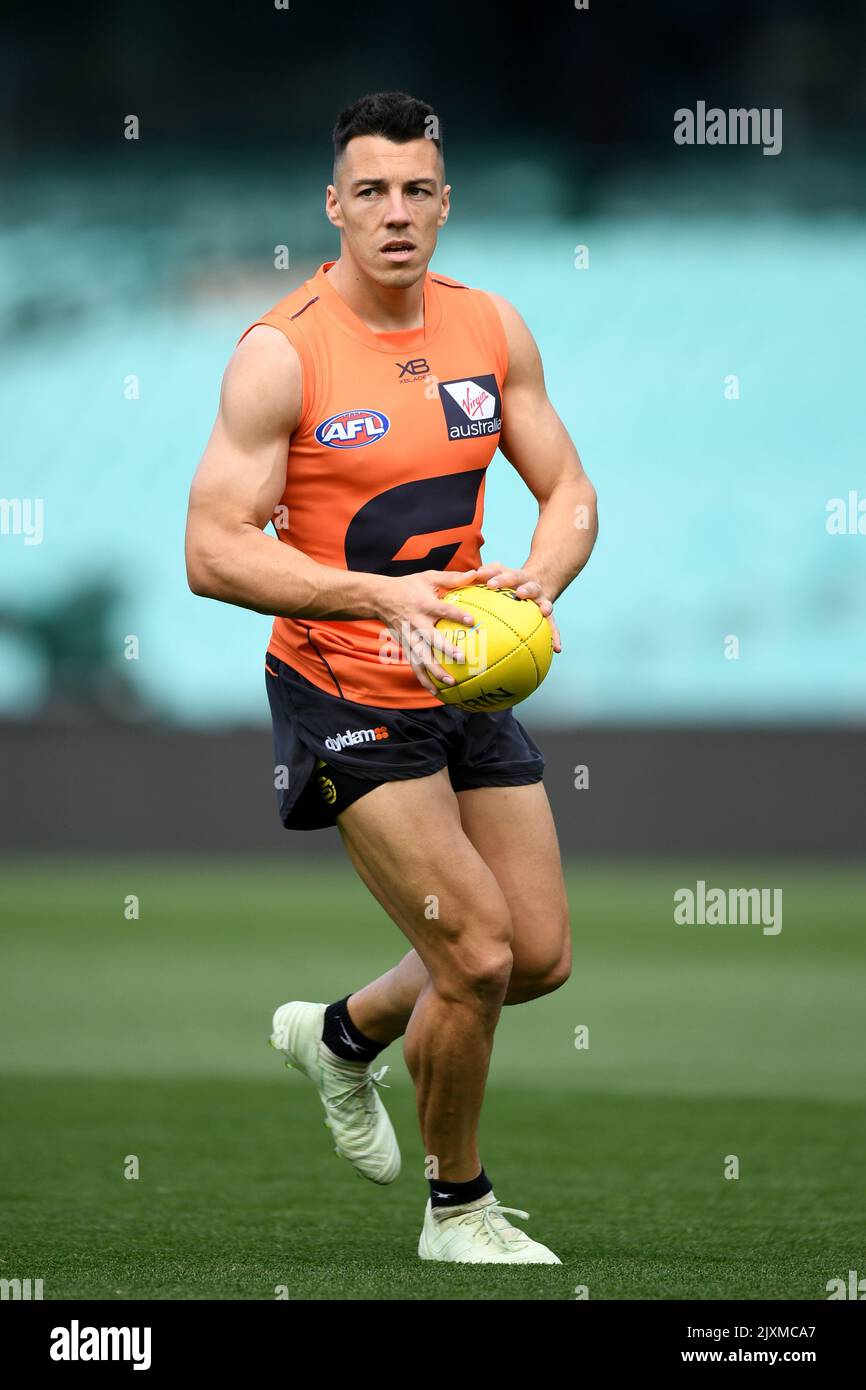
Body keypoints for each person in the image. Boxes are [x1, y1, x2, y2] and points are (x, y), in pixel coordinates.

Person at [185, 90, 598, 1264]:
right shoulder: (281, 352)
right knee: (471, 950)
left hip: (465, 675)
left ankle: (340, 1036)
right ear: (333, 206)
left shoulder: (490, 327)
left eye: (417, 189)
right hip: (345, 687)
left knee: (535, 956)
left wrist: (540, 579)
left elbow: (568, 493)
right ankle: (456, 1209)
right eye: (370, 191)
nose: (396, 213)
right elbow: (211, 552)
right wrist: (379, 598)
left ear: (445, 202)